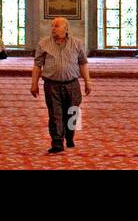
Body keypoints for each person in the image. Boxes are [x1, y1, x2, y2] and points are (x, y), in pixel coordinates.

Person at [30, 17, 93, 154]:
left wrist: (88, 81)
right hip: (52, 85)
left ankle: (70, 135)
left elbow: (83, 63)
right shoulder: (44, 44)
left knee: (73, 112)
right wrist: (34, 83)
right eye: (52, 26)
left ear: (66, 28)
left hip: (72, 84)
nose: (53, 28)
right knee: (55, 114)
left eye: (57, 26)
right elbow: (37, 65)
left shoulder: (77, 44)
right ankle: (57, 142)